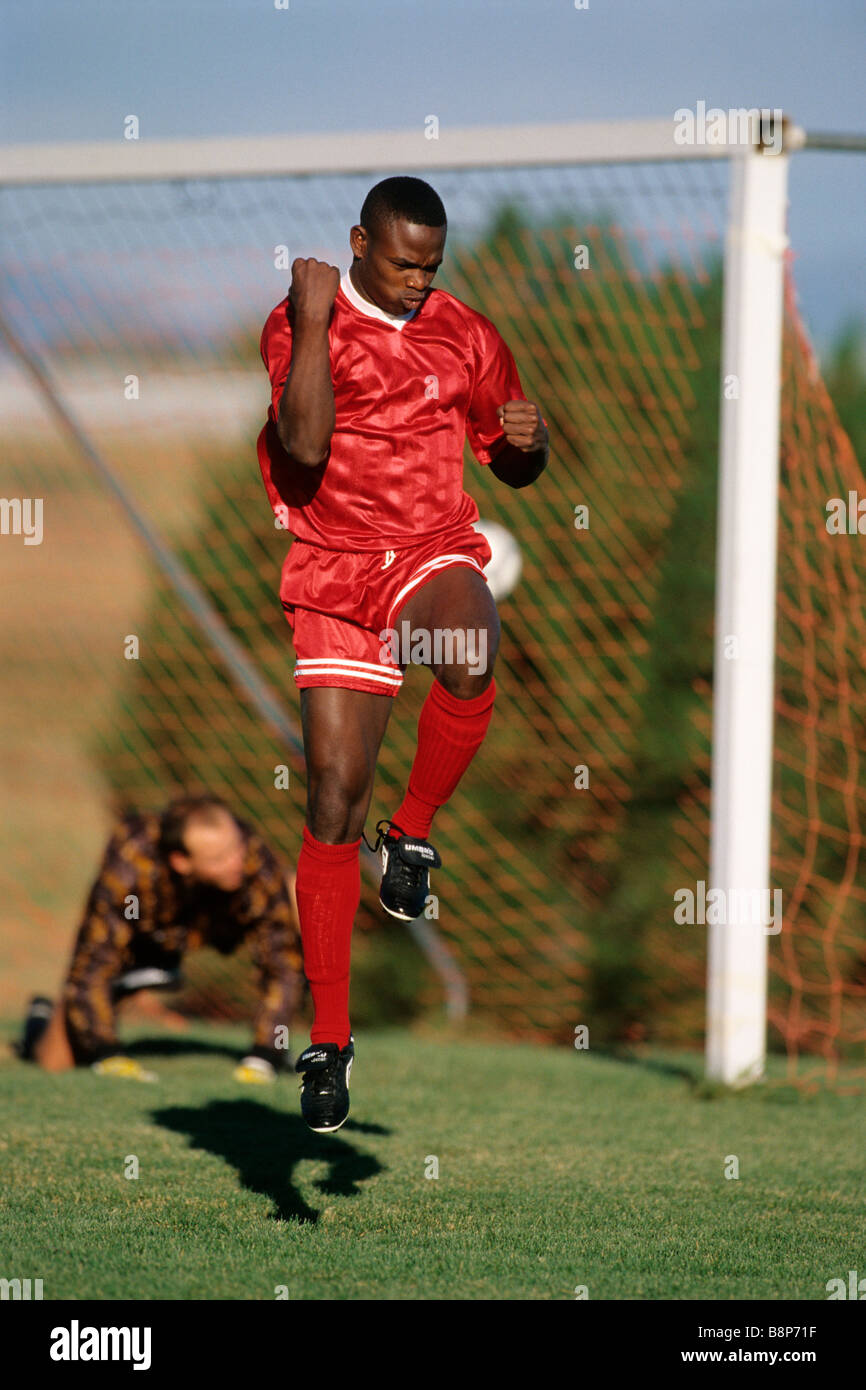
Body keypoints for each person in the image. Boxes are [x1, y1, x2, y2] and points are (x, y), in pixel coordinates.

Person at [257, 175, 549, 1134]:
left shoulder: (465, 332)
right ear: (357, 243)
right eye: (403, 262)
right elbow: (300, 450)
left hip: (428, 549)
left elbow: (512, 460)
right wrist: (309, 326)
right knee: (333, 801)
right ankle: (330, 1042)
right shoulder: (299, 323)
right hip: (336, 575)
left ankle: (414, 832)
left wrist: (524, 446)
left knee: (468, 649)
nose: (421, 280)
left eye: (433, 263)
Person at [18, 794, 303, 1083]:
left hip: (212, 928)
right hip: (139, 941)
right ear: (181, 861)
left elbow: (282, 960)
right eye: (219, 859)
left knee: (296, 891)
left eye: (236, 848)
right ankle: (42, 1019)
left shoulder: (250, 857)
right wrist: (107, 1053)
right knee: (55, 1060)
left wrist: (266, 1052)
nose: (236, 863)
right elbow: (93, 964)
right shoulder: (130, 863)